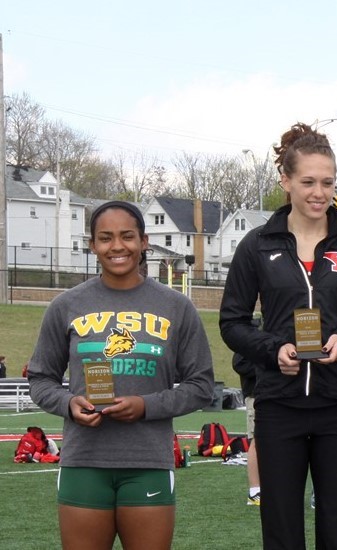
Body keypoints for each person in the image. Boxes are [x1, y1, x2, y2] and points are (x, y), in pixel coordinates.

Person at [219, 122, 337, 550]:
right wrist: (273, 349)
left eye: (328, 182)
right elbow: (232, 323)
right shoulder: (257, 246)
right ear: (286, 181)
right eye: (308, 181)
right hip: (279, 405)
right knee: (281, 526)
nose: (319, 192)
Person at [27, 200, 215, 550]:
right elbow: (40, 379)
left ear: (144, 241)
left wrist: (145, 406)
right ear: (92, 244)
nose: (117, 246)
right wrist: (69, 404)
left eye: (127, 236)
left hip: (148, 461)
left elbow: (201, 385)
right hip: (84, 461)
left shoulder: (177, 307)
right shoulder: (66, 305)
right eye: (105, 238)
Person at [232, 316, 262, 505]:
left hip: (272, 393)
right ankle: (255, 491)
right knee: (257, 441)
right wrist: (267, 366)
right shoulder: (250, 331)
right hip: (256, 394)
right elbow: (239, 364)